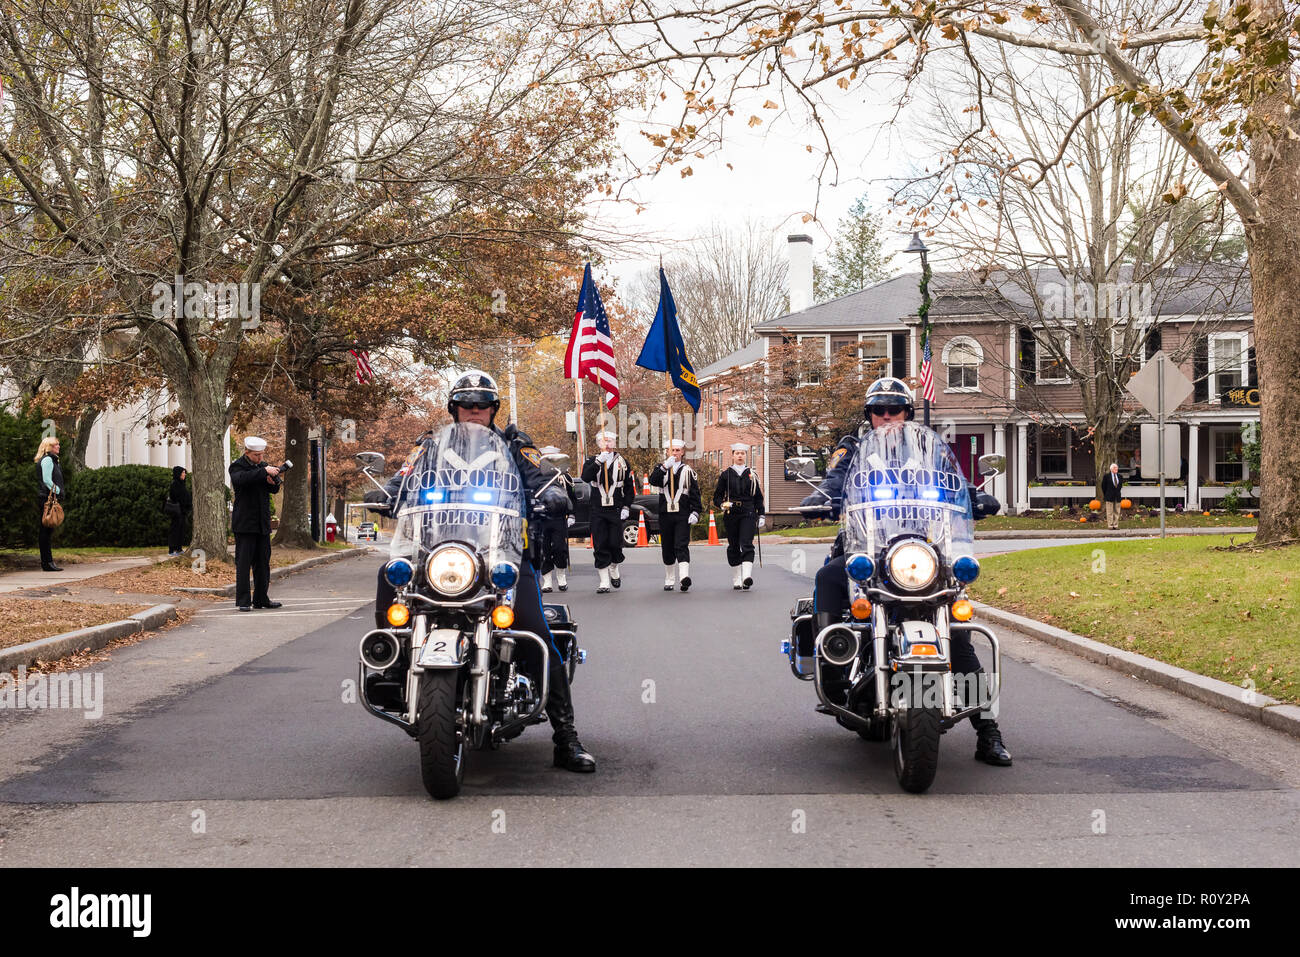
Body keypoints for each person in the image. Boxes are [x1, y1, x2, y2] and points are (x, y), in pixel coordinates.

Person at [373, 370, 596, 772]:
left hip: (501, 557)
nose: (473, 412)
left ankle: (566, 738)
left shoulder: (515, 444)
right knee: (391, 575)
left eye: (482, 406)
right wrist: (388, 492)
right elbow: (402, 478)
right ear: (453, 409)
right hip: (440, 554)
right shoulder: (428, 447)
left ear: (494, 409)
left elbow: (540, 476)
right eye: (466, 406)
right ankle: (390, 655)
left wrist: (555, 492)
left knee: (533, 628)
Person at [799, 376, 1013, 767]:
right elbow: (834, 482)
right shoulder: (853, 449)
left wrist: (975, 495)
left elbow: (957, 483)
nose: (886, 416)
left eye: (893, 409)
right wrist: (821, 497)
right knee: (828, 577)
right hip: (866, 553)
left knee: (959, 634)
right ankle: (831, 666)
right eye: (878, 411)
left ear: (907, 413)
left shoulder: (930, 450)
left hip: (922, 553)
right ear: (869, 415)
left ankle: (989, 733)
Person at [229, 436, 283, 612]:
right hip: (245, 524)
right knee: (244, 564)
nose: (260, 458)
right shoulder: (237, 466)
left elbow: (273, 489)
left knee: (263, 563)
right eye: (256, 455)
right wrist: (263, 472)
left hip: (261, 523)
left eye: (261, 455)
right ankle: (243, 600)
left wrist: (273, 480)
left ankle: (261, 598)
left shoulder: (262, 467)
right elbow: (241, 480)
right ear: (247, 453)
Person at [580, 430, 634, 594]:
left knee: (615, 543)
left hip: (615, 509)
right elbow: (585, 477)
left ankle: (614, 567)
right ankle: (604, 581)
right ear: (598, 444)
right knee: (600, 544)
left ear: (614, 443)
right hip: (598, 509)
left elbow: (628, 487)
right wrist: (598, 462)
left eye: (610, 441)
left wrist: (626, 506)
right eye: (604, 441)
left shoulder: (623, 462)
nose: (608, 444)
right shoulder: (591, 460)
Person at [648, 438, 702, 591]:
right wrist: (666, 466)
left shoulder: (688, 471)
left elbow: (695, 494)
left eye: (678, 450)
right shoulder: (660, 468)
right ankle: (670, 578)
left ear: (683, 452)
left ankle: (684, 577)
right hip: (665, 513)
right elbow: (654, 480)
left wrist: (696, 512)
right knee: (667, 546)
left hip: (682, 513)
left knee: (681, 544)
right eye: (672, 450)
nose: (675, 453)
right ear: (667, 452)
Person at [712, 442, 765, 590]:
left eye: (743, 453)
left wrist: (761, 515)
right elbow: (717, 497)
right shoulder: (726, 475)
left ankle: (746, 576)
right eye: (737, 453)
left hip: (748, 512)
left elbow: (758, 497)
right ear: (733, 455)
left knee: (746, 543)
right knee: (734, 545)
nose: (740, 456)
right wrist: (722, 505)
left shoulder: (752, 475)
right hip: (731, 513)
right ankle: (736, 578)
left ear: (746, 456)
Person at [536, 446, 577, 593]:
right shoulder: (536, 477)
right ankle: (547, 581)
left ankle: (561, 575)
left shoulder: (565, 477)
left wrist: (571, 514)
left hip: (559, 517)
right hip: (542, 518)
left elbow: (571, 498)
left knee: (560, 548)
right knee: (543, 549)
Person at [34, 436, 65, 573]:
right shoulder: (47, 460)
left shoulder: (53, 460)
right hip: (47, 499)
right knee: (46, 529)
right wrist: (57, 490)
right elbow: (47, 480)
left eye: (58, 444)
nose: (58, 446)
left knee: (47, 529)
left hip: (48, 497)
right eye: (55, 445)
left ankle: (48, 562)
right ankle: (47, 562)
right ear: (48, 447)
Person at [166, 466, 192, 556]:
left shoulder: (182, 484)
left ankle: (179, 548)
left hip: (183, 512)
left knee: (181, 530)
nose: (184, 474)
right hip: (177, 512)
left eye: (184, 472)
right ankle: (172, 550)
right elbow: (176, 497)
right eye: (182, 473)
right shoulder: (175, 484)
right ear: (178, 474)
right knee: (175, 530)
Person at [1102, 462, 1124, 530]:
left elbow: (1120, 486)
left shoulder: (1120, 476)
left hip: (1117, 496)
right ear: (1111, 469)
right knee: (1109, 511)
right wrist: (1106, 494)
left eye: (1117, 467)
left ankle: (1116, 525)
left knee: (1117, 511)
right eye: (1115, 468)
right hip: (1109, 496)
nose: (1116, 469)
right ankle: (1110, 525)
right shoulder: (1106, 476)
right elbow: (1103, 486)